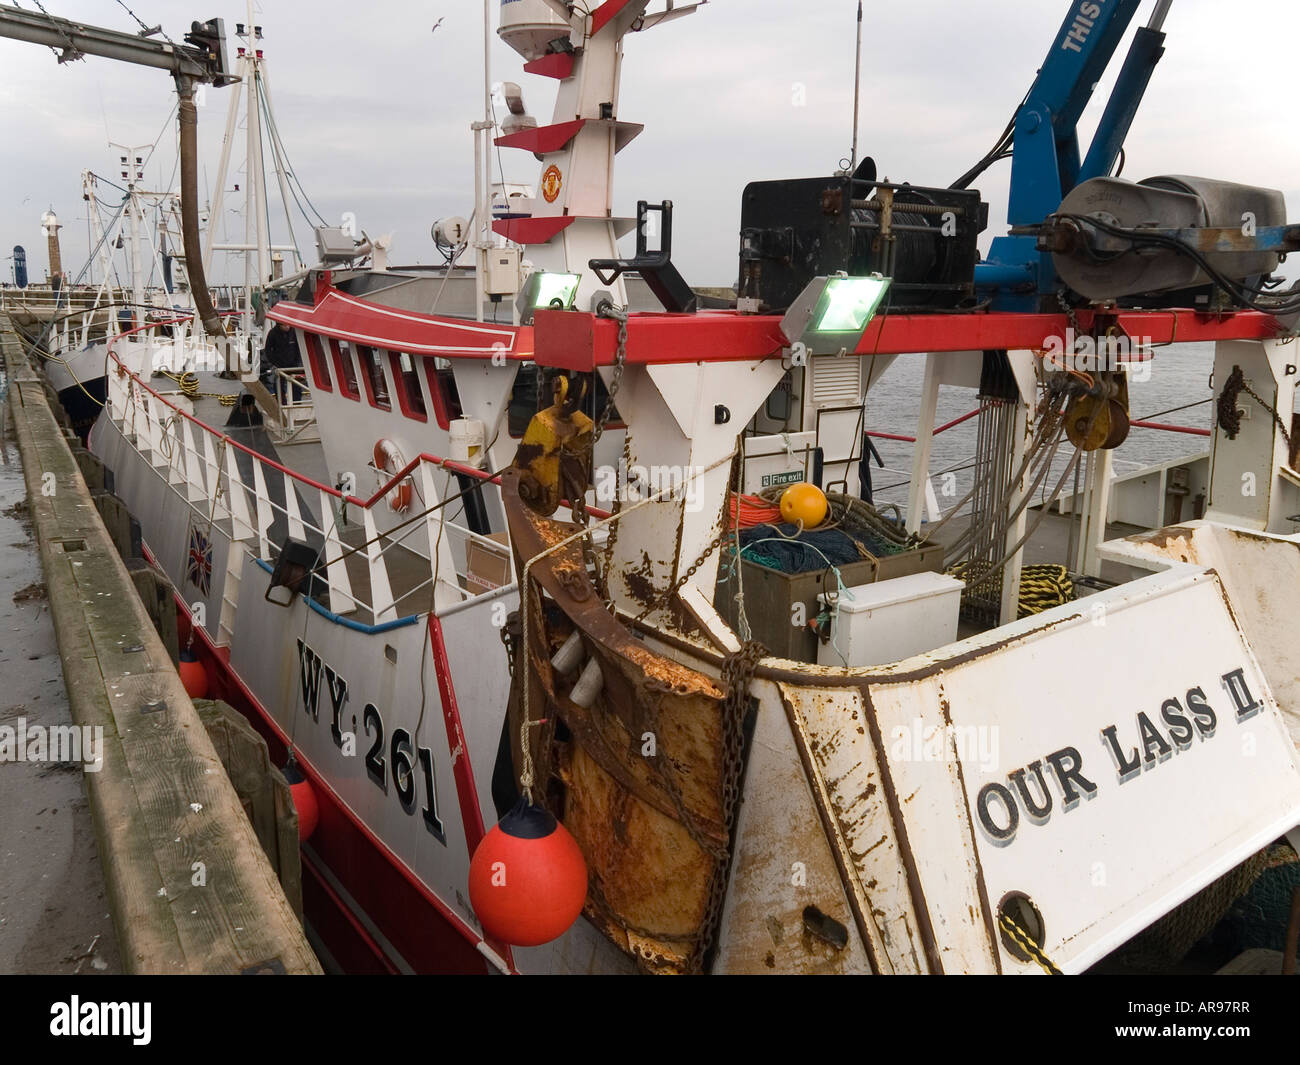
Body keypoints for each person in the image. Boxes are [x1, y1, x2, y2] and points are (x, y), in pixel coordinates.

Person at [260, 319, 303, 404]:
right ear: (279, 325)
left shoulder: (293, 332)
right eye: (285, 325)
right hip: (279, 365)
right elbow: (268, 350)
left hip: (293, 364)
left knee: (296, 385)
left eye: (288, 325)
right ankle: (281, 403)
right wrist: (274, 363)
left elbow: (298, 347)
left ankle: (297, 403)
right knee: (279, 385)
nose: (287, 327)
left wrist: (298, 361)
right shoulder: (273, 333)